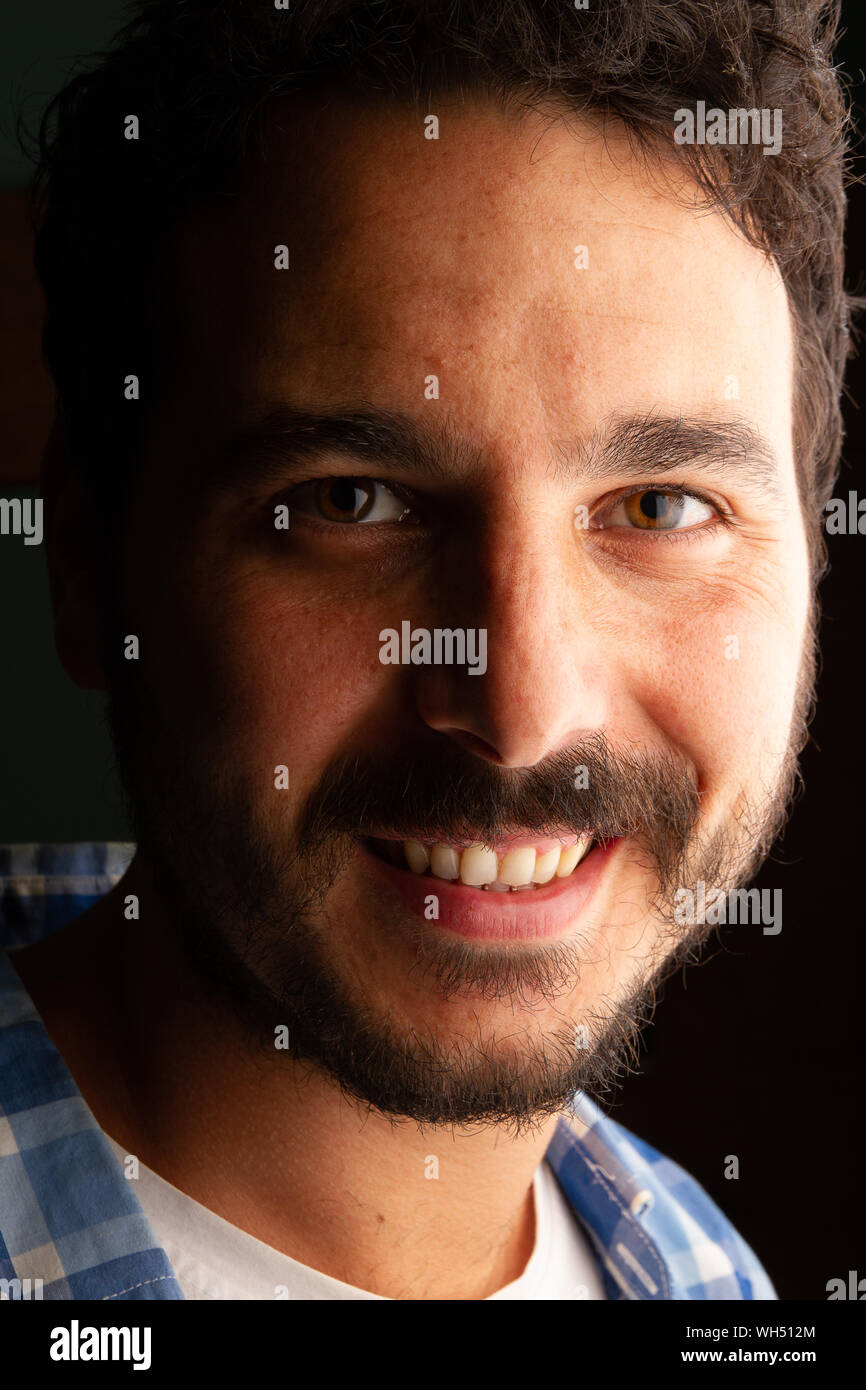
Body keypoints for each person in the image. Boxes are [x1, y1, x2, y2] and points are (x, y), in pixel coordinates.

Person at [0, 0, 855, 1300]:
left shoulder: (705, 1277)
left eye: (660, 506)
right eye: (352, 500)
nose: (524, 706)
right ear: (87, 560)